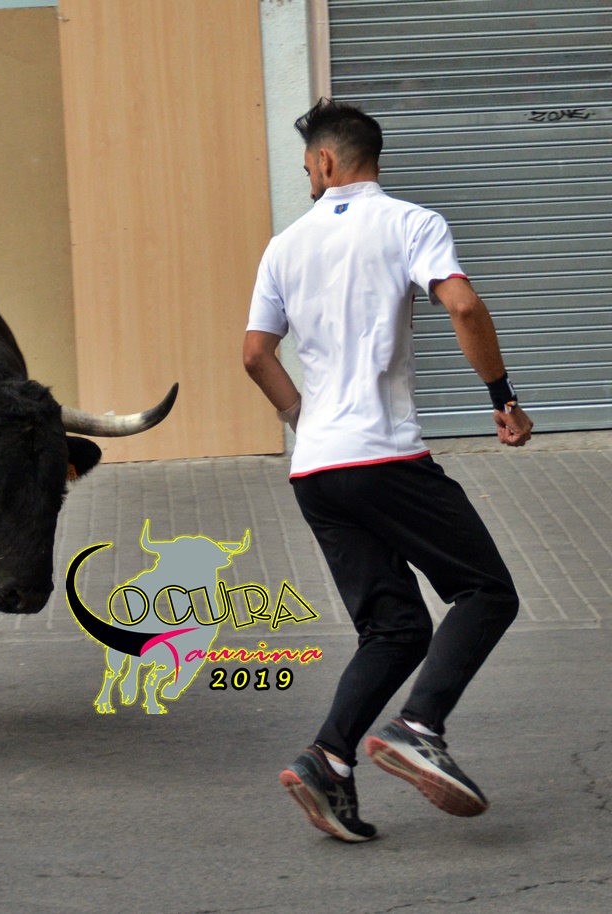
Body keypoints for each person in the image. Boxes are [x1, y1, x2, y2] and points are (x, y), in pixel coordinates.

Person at [243, 98, 534, 843]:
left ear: (329, 162)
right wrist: (502, 399)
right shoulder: (412, 223)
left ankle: (327, 763)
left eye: (308, 162)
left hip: (317, 470)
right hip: (385, 455)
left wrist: (306, 424)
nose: (308, 173)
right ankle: (418, 727)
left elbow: (254, 355)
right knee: (485, 591)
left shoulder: (283, 246)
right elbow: (463, 306)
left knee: (395, 629)